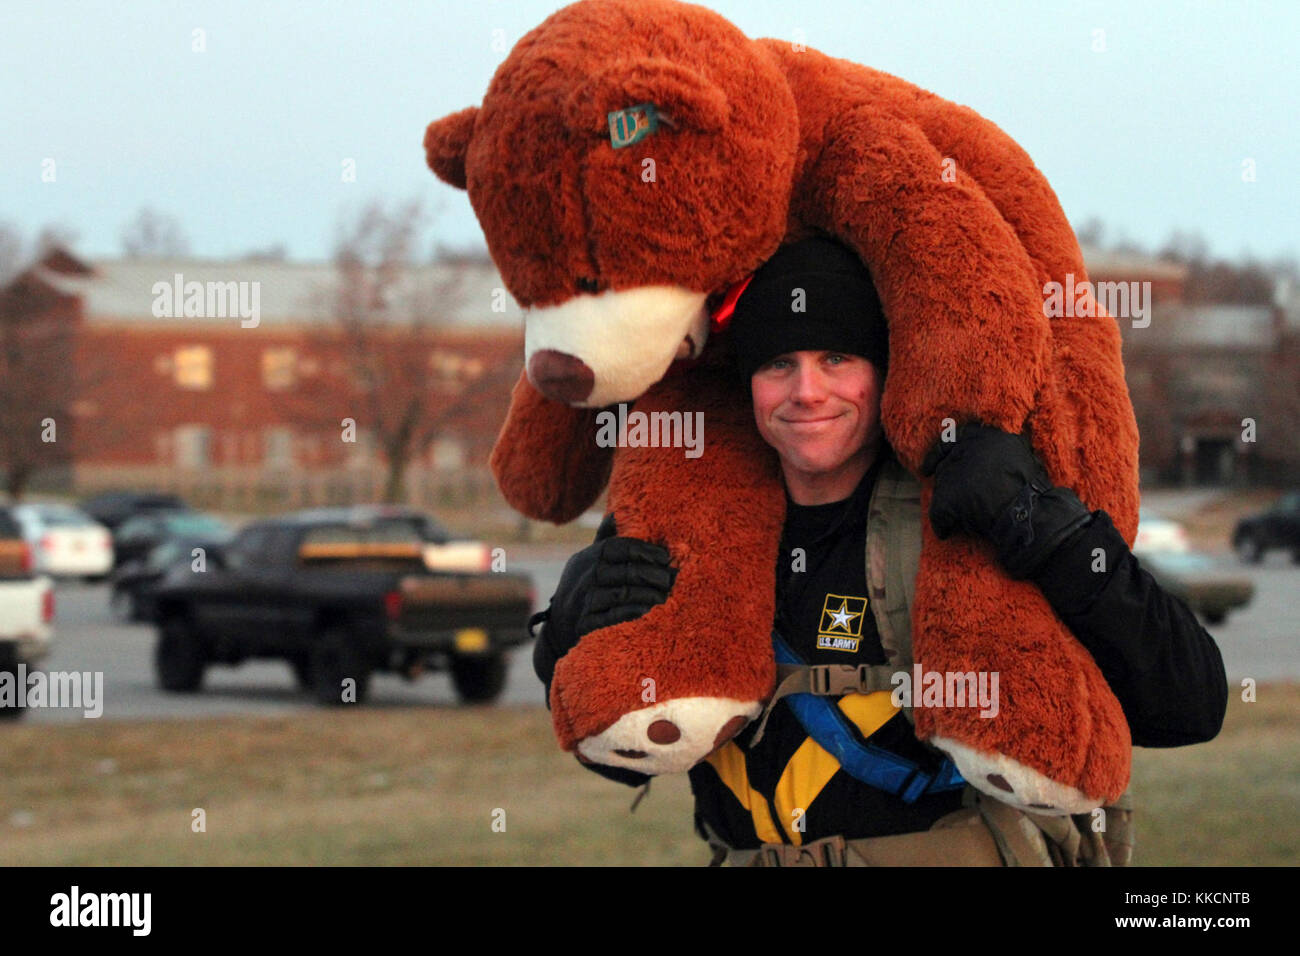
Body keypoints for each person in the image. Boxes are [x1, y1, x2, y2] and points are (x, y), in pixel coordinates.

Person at [531, 235, 1228, 866]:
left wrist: (1049, 528)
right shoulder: (686, 524)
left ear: (883, 371)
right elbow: (628, 758)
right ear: (748, 382)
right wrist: (568, 639)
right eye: (780, 362)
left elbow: (1189, 704)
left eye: (837, 358)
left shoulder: (960, 523)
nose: (808, 392)